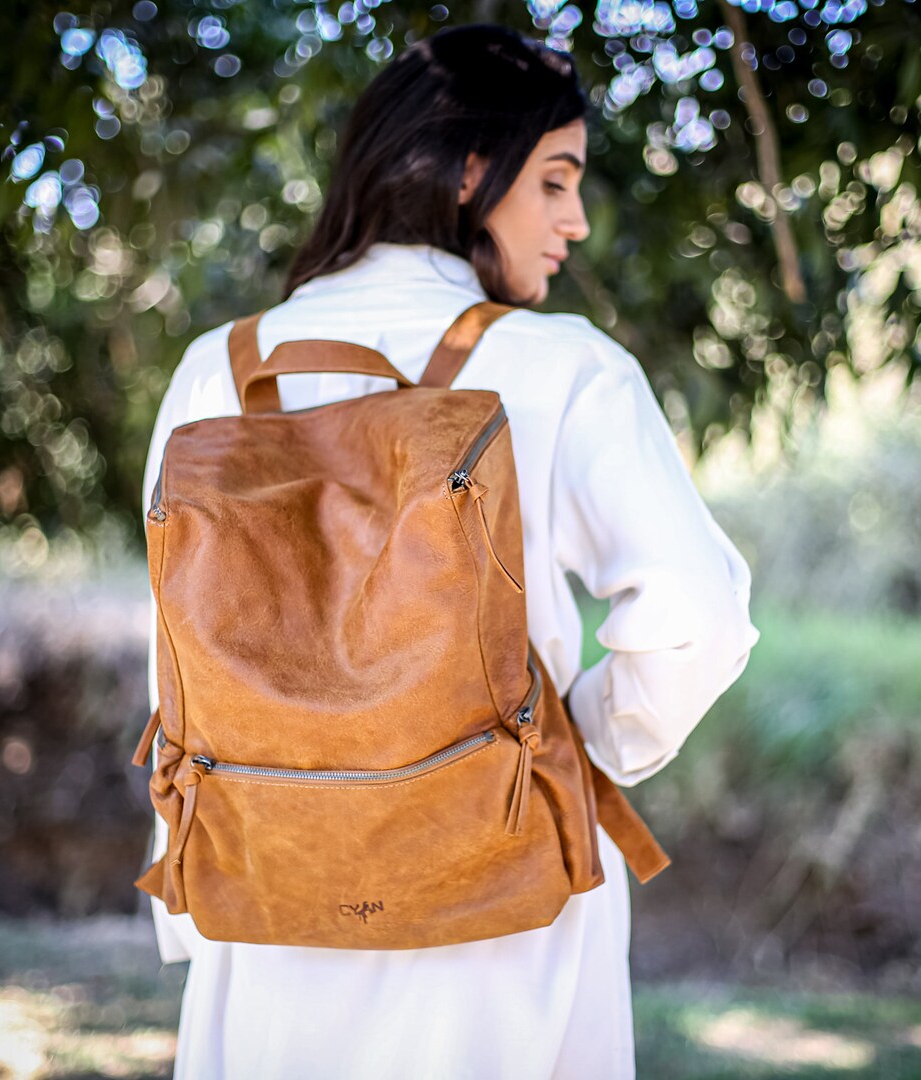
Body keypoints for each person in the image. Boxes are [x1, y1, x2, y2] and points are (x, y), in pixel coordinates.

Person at [140, 22, 760, 1080]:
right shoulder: (562, 367)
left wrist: (186, 886)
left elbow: (177, 666)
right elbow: (698, 619)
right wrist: (567, 756)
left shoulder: (213, 371)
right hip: (499, 912)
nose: (573, 222)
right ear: (471, 167)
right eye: (555, 180)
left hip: (269, 900)